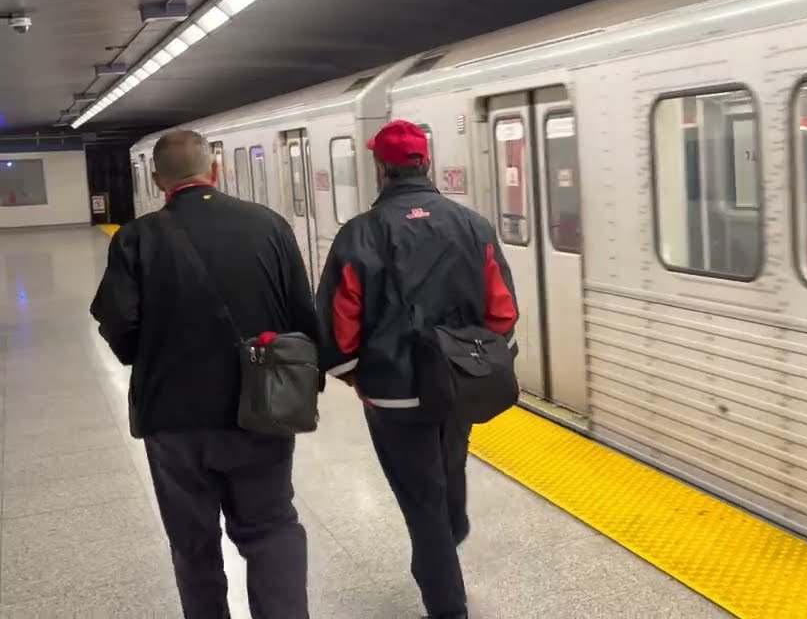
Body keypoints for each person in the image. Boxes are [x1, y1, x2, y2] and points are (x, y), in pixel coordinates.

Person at [91, 129, 319, 619]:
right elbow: (303, 318)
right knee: (271, 528)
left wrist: (151, 355)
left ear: (158, 181)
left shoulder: (136, 237)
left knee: (192, 543)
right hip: (261, 409)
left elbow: (119, 324)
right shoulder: (270, 225)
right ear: (215, 169)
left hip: (172, 417)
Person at [315, 119, 518, 619]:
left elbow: (339, 322)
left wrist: (355, 374)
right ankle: (450, 533)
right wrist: (479, 359)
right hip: (459, 381)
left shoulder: (361, 233)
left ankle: (447, 601)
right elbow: (502, 310)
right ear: (426, 162)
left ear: (380, 168)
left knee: (420, 496)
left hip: (394, 392)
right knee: (449, 464)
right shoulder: (472, 224)